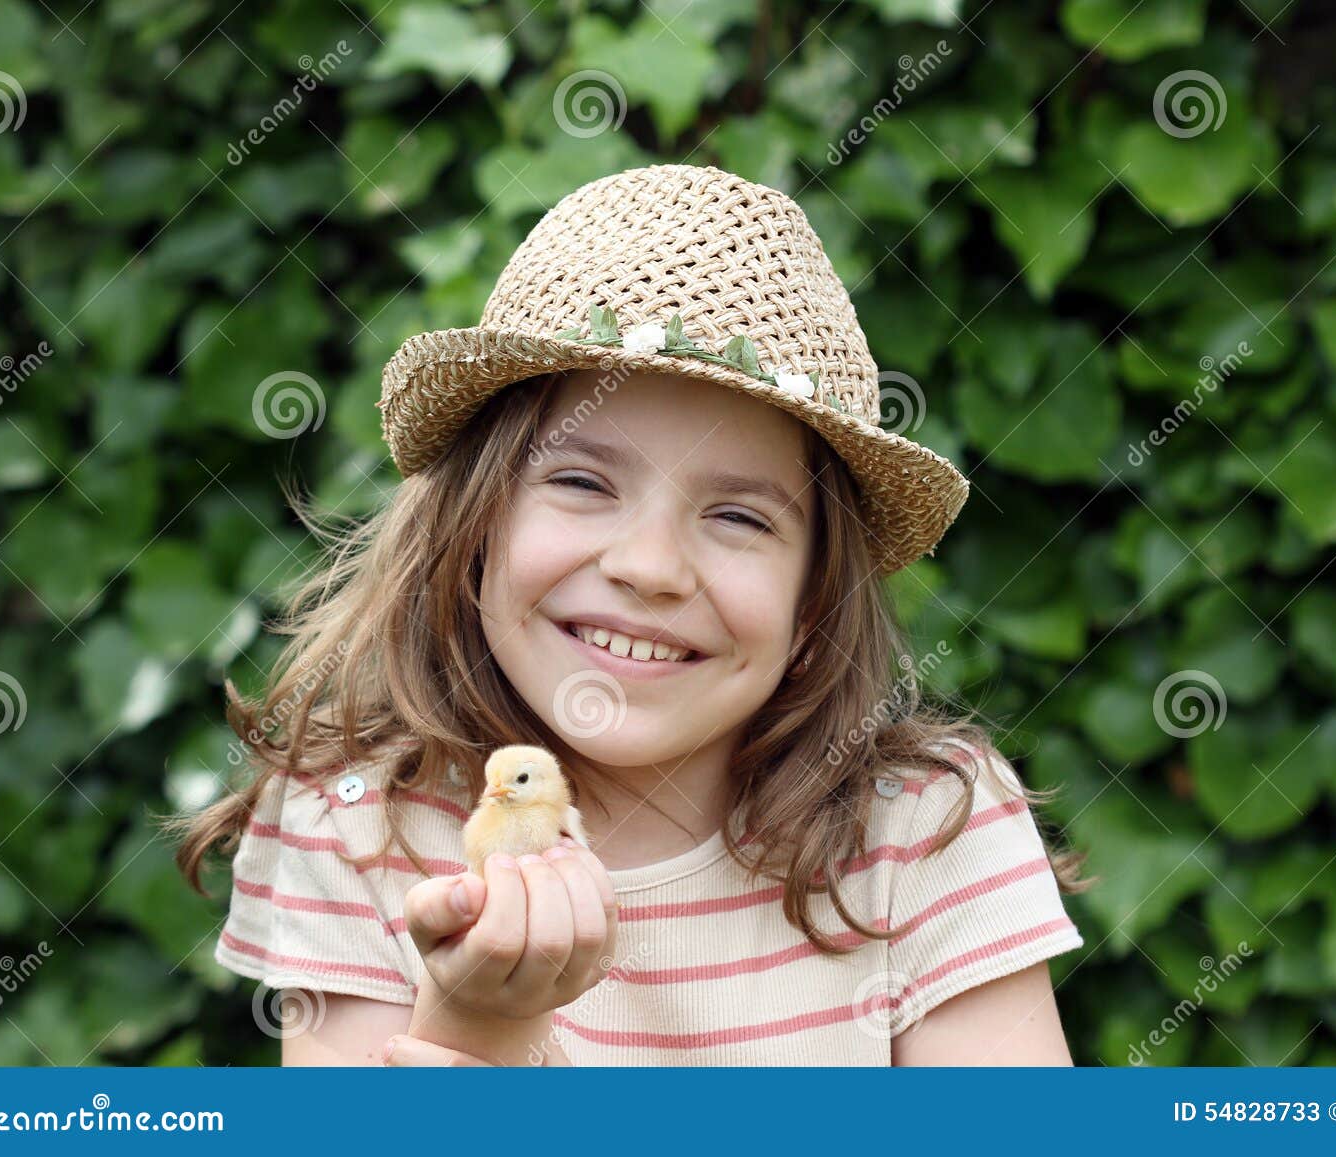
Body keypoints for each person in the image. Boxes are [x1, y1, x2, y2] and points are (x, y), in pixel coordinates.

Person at [171, 164, 1091, 1066]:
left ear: (816, 596)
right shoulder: (355, 824)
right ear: (473, 528)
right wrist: (476, 1024)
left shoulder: (923, 831)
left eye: (738, 516)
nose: (650, 568)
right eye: (580, 480)